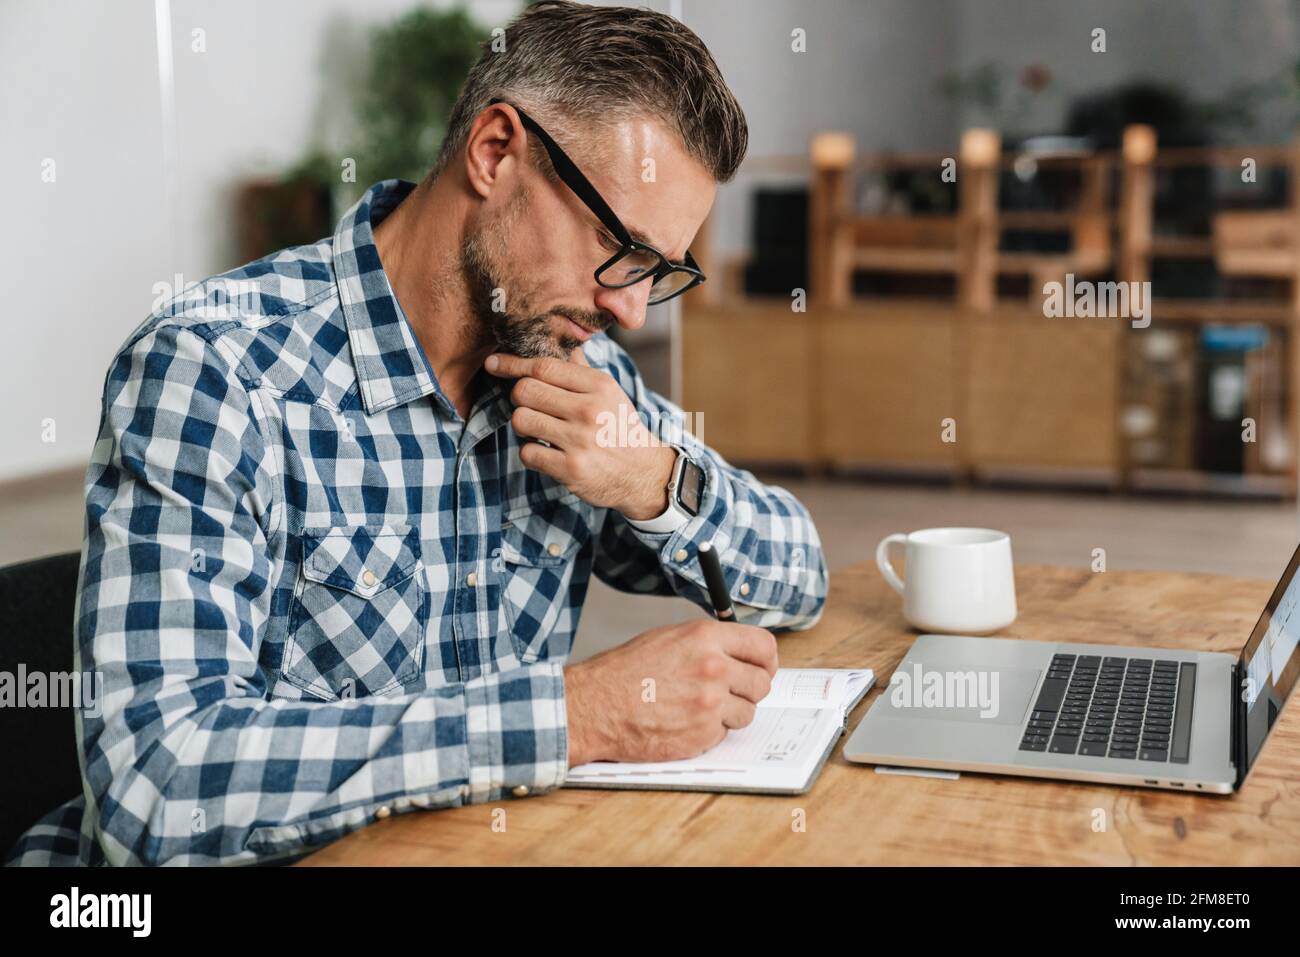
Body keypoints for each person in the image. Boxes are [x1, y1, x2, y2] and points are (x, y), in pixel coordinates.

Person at [7, 0, 825, 866]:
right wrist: (573, 713)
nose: (628, 306)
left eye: (659, 271)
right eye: (620, 246)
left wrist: (659, 479)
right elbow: (156, 789)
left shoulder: (573, 372)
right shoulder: (214, 372)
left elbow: (799, 573)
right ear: (495, 151)